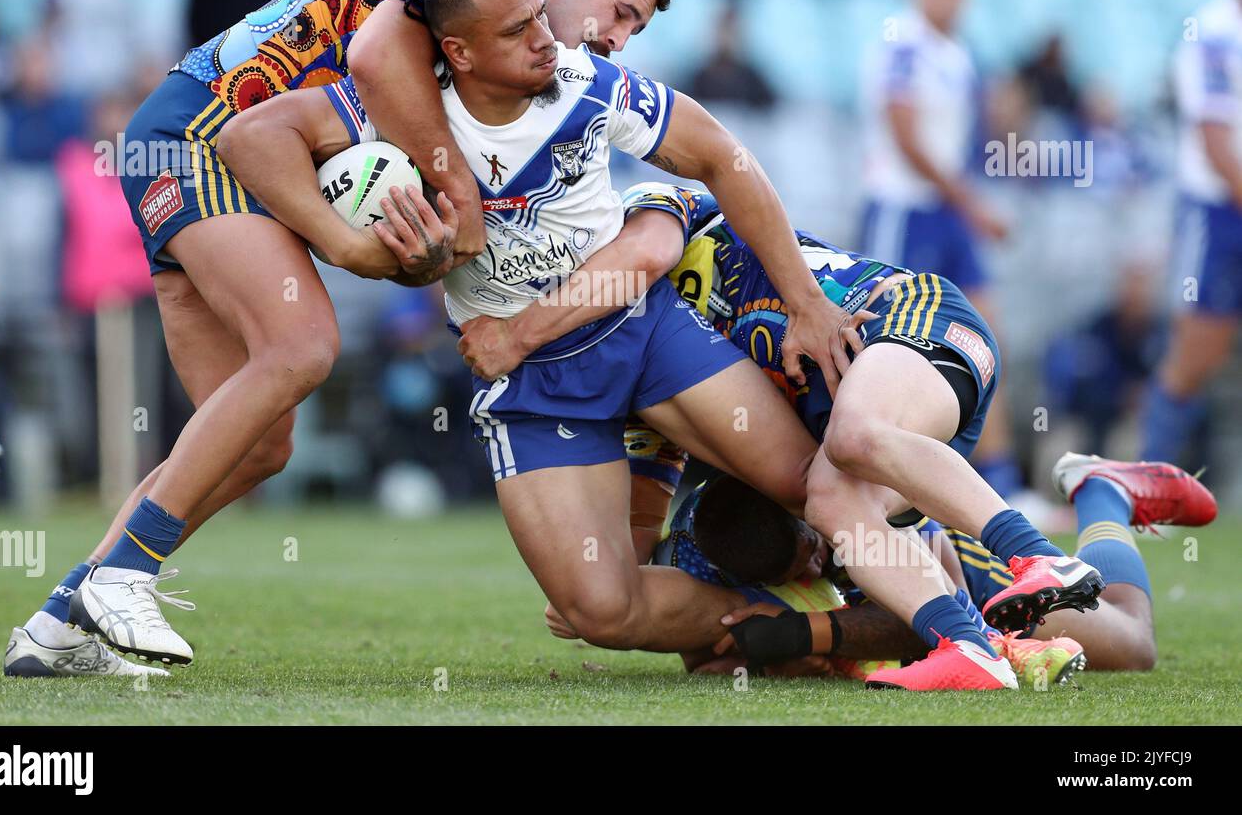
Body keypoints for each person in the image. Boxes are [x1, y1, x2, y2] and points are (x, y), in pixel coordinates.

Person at [5, 0, 685, 676]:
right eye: (621, 13)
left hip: (214, 150)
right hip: (200, 133)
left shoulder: (489, 70)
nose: (617, 39)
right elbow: (371, 51)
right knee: (301, 347)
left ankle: (61, 622)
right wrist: (406, 216)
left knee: (255, 444)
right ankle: (128, 574)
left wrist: (405, 257)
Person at [215, 0, 865, 663]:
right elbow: (249, 135)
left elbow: (723, 156)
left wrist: (806, 303)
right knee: (599, 609)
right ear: (456, 51)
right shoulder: (398, 108)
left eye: (539, 16)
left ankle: (953, 604)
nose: (544, 39)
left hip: (638, 329)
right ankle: (800, 630)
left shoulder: (587, 83)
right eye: (519, 29)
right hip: (532, 391)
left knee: (812, 484)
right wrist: (348, 249)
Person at [464, 182, 1105, 689]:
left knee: (852, 442)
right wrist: (584, 585)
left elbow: (649, 251)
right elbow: (632, 544)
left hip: (906, 319)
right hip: (894, 452)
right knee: (831, 492)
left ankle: (1038, 555)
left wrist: (809, 634)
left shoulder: (639, 215)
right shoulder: (657, 404)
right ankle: (976, 641)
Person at [697, 451, 1215, 677]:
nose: (817, 566)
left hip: (970, 581)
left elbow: (920, 627)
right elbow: (704, 655)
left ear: (796, 507)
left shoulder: (849, 502)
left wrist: (798, 636)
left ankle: (1102, 490)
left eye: (813, 546)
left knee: (1132, 643)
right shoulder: (709, 553)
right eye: (797, 573)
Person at [858, 0, 1022, 502]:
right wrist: (972, 201)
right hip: (905, 209)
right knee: (884, 335)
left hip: (947, 211)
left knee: (983, 336)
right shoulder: (903, 41)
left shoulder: (958, 54)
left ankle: (995, 484)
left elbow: (964, 141)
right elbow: (904, 134)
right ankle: (876, 476)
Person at [1140, 0, 1242, 468]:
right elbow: (1215, 138)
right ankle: (1145, 483)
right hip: (1219, 212)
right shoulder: (1214, 33)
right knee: (1198, 352)